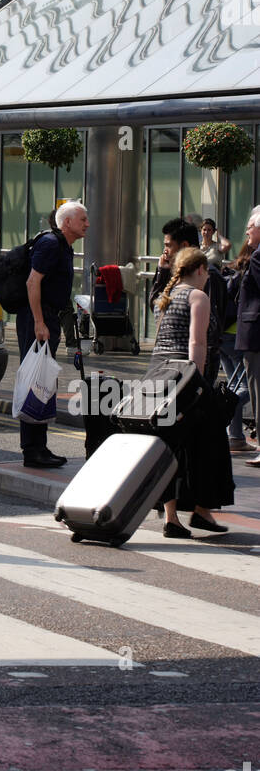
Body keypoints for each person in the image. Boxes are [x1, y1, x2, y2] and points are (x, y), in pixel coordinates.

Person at [149, 247, 234, 536]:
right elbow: (196, 343)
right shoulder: (198, 296)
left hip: (157, 376)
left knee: (172, 445)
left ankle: (172, 517)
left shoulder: (167, 296)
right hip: (184, 377)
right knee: (211, 443)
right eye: (207, 271)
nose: (208, 276)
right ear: (200, 270)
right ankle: (201, 511)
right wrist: (196, 381)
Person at [16, 199, 89, 469]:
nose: (87, 224)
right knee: (36, 380)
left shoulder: (63, 246)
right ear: (67, 222)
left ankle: (40, 447)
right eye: (83, 219)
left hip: (49, 317)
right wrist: (38, 322)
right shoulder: (50, 244)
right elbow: (32, 282)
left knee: (44, 381)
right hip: (38, 318)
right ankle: (31, 449)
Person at [150, 217, 225, 383]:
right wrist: (162, 273)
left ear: (184, 246)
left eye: (168, 245)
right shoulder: (175, 274)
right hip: (178, 367)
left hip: (190, 365)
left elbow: (211, 328)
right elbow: (156, 307)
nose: (165, 250)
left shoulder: (206, 274)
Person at [221, 241, 256, 453]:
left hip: (221, 335)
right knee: (247, 388)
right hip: (237, 335)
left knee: (234, 386)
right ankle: (223, 415)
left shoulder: (234, 267)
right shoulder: (253, 268)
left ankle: (234, 437)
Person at [237, 208, 260, 468]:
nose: (247, 231)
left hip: (256, 336)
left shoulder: (258, 257)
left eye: (251, 226)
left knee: (257, 391)